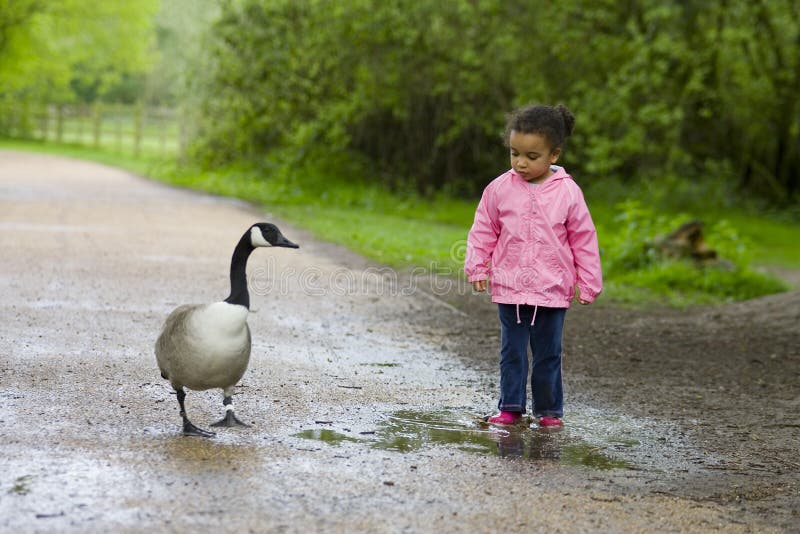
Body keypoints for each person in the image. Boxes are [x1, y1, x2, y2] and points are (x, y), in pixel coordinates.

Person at [464, 103, 602, 428]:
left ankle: (549, 412)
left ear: (553, 155)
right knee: (511, 353)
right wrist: (477, 267)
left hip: (552, 290)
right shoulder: (499, 189)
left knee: (547, 356)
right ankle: (510, 407)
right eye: (514, 153)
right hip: (510, 287)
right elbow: (484, 228)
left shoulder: (568, 192)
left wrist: (589, 281)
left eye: (531, 156)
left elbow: (583, 237)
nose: (520, 163)